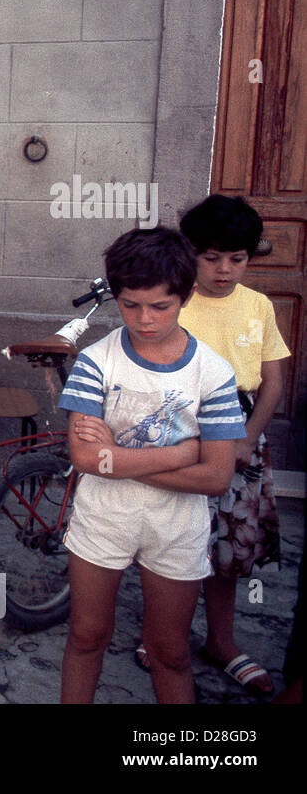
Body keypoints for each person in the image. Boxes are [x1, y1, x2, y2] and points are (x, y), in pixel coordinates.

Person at [58, 227, 245, 704]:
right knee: (85, 636)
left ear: (185, 295)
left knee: (170, 651)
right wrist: (185, 452)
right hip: (104, 518)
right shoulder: (96, 363)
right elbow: (83, 457)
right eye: (129, 305)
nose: (144, 319)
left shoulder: (215, 373)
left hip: (177, 526)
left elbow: (216, 477)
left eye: (160, 306)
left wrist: (117, 458)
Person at [133, 195, 290, 696]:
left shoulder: (258, 306)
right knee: (171, 540)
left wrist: (246, 438)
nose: (224, 270)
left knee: (228, 548)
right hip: (181, 434)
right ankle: (160, 637)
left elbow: (272, 382)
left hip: (241, 439)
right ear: (190, 253)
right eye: (212, 257)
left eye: (237, 258)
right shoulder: (172, 303)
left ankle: (222, 641)